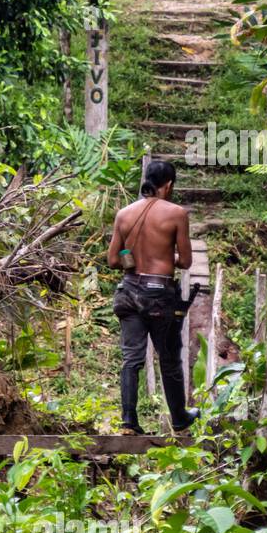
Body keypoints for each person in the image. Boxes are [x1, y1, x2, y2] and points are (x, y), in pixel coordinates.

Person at [106, 159, 199, 435]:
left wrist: (135, 258)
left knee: (131, 359)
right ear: (168, 185)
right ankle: (180, 418)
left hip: (128, 292)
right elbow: (185, 262)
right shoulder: (177, 213)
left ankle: (128, 422)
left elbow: (112, 259)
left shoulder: (123, 214)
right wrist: (163, 256)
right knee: (169, 358)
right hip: (159, 295)